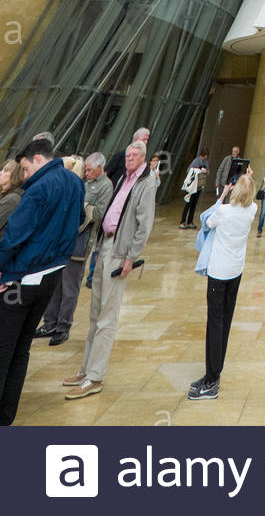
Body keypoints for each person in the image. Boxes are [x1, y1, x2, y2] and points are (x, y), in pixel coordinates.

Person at [0, 135, 84, 425]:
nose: (23, 175)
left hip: (22, 279)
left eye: (24, 168)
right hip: (52, 276)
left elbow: (14, 236)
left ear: (38, 159)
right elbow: (79, 219)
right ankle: (6, 416)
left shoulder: (37, 189)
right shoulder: (75, 182)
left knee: (4, 348)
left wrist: (3, 270)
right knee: (21, 348)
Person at [64, 139, 157, 400]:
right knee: (95, 313)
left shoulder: (146, 182)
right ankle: (85, 370)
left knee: (107, 316)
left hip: (119, 251)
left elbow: (144, 223)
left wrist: (131, 256)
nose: (129, 158)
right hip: (105, 244)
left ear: (143, 158)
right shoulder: (123, 179)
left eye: (134, 155)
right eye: (127, 154)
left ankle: (95, 376)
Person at [188, 167, 258, 400]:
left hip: (219, 272)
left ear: (235, 190)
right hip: (236, 271)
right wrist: (249, 178)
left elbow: (206, 220)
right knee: (224, 322)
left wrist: (222, 195)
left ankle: (211, 378)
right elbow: (249, 197)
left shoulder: (225, 211)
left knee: (214, 324)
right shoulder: (252, 210)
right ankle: (214, 372)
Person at [36, 152, 113, 348]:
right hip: (64, 241)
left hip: (80, 243)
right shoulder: (84, 183)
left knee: (70, 289)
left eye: (89, 169)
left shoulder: (106, 186)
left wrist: (80, 207)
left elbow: (98, 214)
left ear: (99, 168)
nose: (86, 173)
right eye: (85, 169)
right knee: (54, 285)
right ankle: (49, 323)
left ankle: (63, 327)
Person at [179, 149, 209, 229]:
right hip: (192, 186)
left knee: (194, 204)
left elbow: (208, 171)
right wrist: (198, 170)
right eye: (204, 155)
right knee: (188, 204)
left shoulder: (205, 162)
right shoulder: (196, 161)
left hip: (198, 187)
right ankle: (182, 221)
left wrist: (206, 171)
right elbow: (189, 171)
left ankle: (190, 221)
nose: (205, 157)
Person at [0, 161, 24, 237]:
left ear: (15, 175)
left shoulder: (12, 199)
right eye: (2, 169)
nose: (1, 173)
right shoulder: (8, 195)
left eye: (6, 170)